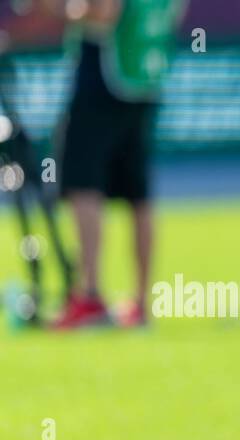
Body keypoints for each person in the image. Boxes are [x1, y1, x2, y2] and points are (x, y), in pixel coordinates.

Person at [48, 0, 186, 330]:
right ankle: (140, 303)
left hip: (105, 72)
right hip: (144, 74)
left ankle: (91, 295)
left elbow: (103, 12)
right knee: (138, 192)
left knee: (84, 184)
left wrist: (58, 10)